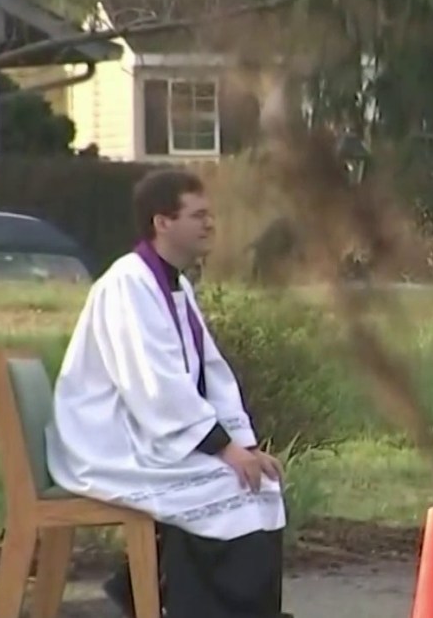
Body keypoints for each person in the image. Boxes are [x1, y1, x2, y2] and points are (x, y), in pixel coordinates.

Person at [44, 168, 293, 618]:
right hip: (111, 444)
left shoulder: (175, 285)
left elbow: (212, 373)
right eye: (198, 215)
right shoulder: (128, 284)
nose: (210, 224)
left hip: (152, 436)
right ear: (162, 222)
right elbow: (155, 385)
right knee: (229, 484)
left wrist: (245, 446)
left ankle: (169, 597)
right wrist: (224, 451)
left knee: (260, 482)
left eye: (210, 214)